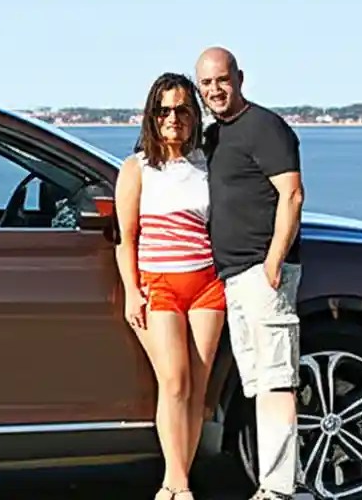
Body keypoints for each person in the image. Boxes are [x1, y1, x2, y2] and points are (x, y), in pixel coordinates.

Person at [194, 46, 306, 500]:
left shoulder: (265, 127)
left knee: (277, 380)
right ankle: (271, 484)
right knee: (258, 381)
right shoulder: (215, 136)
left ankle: (279, 489)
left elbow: (292, 195)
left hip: (262, 274)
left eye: (222, 80)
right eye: (206, 84)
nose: (215, 90)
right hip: (233, 276)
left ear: (239, 78)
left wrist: (274, 262)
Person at [114, 72, 227, 500]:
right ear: (151, 116)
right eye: (164, 110)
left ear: (193, 114)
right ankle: (173, 482)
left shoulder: (206, 163)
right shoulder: (137, 167)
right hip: (159, 285)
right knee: (175, 382)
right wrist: (131, 291)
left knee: (198, 389)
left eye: (181, 109)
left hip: (207, 286)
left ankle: (181, 483)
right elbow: (126, 236)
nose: (173, 118)